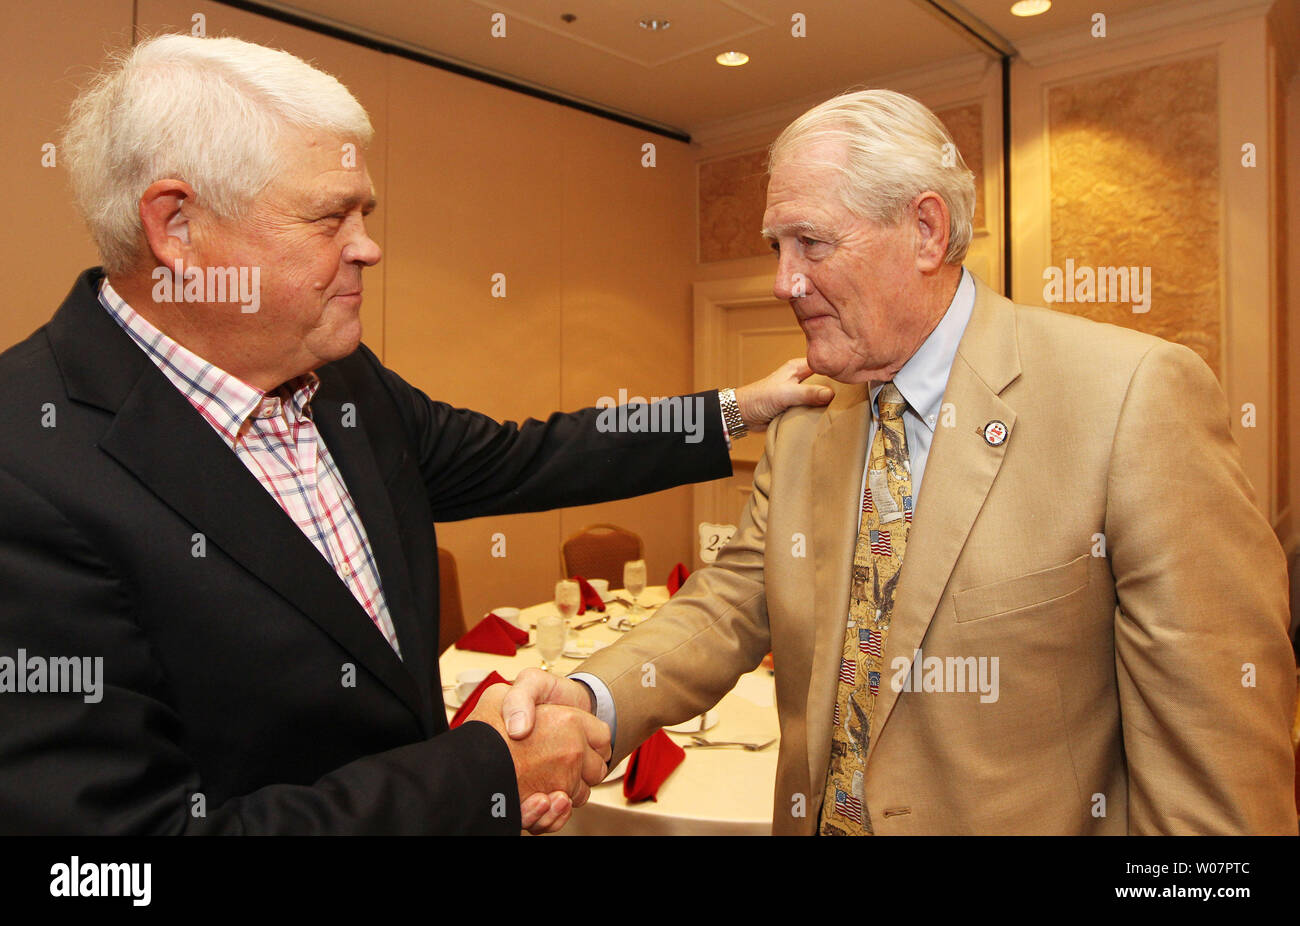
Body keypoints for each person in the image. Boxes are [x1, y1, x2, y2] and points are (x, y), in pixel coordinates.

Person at [0, 34, 831, 835]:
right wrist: (486, 779)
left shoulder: (341, 382)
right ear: (176, 228)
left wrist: (736, 409)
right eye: (330, 219)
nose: (370, 247)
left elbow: (527, 455)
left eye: (364, 212)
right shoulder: (27, 466)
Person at [502, 89, 1299, 835]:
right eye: (778, 247)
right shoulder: (811, 419)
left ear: (924, 231)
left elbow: (1217, 774)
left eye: (811, 243)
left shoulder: (1131, 400)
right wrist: (587, 697)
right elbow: (729, 607)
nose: (784, 282)